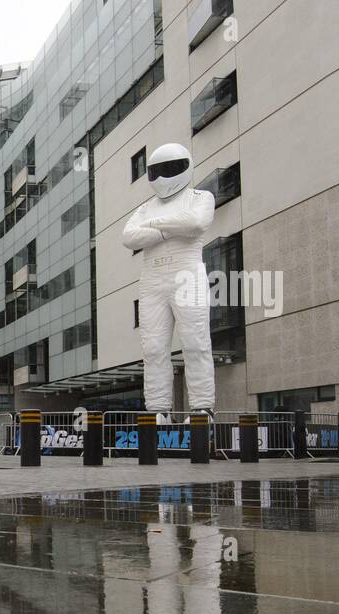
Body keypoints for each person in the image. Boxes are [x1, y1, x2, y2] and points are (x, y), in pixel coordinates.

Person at [121, 143, 216, 424]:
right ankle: (158, 408)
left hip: (187, 275)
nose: (163, 176)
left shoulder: (201, 197)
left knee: (196, 342)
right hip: (152, 280)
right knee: (152, 348)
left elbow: (196, 223)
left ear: (186, 165)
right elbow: (128, 237)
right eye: (157, 170)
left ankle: (202, 407)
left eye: (169, 168)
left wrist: (154, 227)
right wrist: (170, 230)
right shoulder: (144, 207)